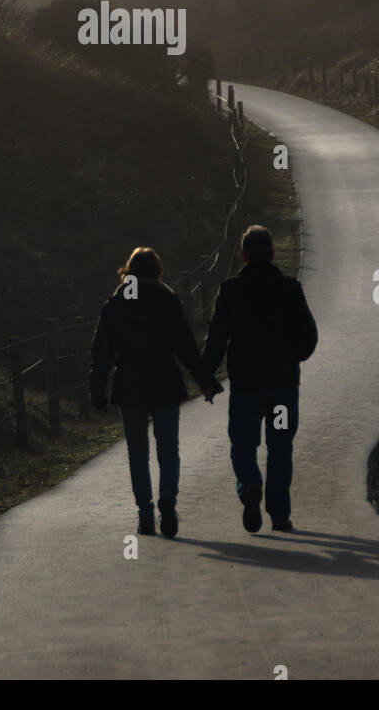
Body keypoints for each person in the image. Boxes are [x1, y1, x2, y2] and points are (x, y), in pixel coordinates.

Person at [90, 246, 223, 537]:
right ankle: (168, 499)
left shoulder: (114, 304)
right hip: (165, 381)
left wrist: (97, 391)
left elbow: (100, 352)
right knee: (168, 449)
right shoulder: (167, 299)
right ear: (158, 270)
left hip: (130, 385)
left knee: (137, 452)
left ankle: (145, 513)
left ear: (128, 271)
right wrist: (205, 380)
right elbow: (185, 346)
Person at [201, 224, 317, 534]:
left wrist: (205, 376)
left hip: (247, 388)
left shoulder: (231, 290)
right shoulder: (290, 289)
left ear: (243, 254)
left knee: (243, 443)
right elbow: (309, 335)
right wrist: (294, 356)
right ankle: (279, 515)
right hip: (283, 388)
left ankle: (250, 484)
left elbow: (216, 339)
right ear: (273, 253)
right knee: (280, 448)